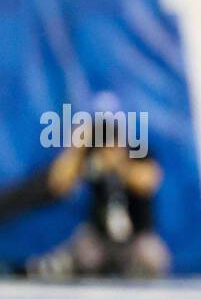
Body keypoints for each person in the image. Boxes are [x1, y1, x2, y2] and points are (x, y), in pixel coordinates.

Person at [28, 96, 169, 278]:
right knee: (78, 257)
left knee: (152, 258)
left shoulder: (138, 150)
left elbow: (148, 182)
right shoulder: (91, 153)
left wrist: (118, 164)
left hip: (136, 236)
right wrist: (77, 147)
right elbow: (58, 183)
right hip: (99, 236)